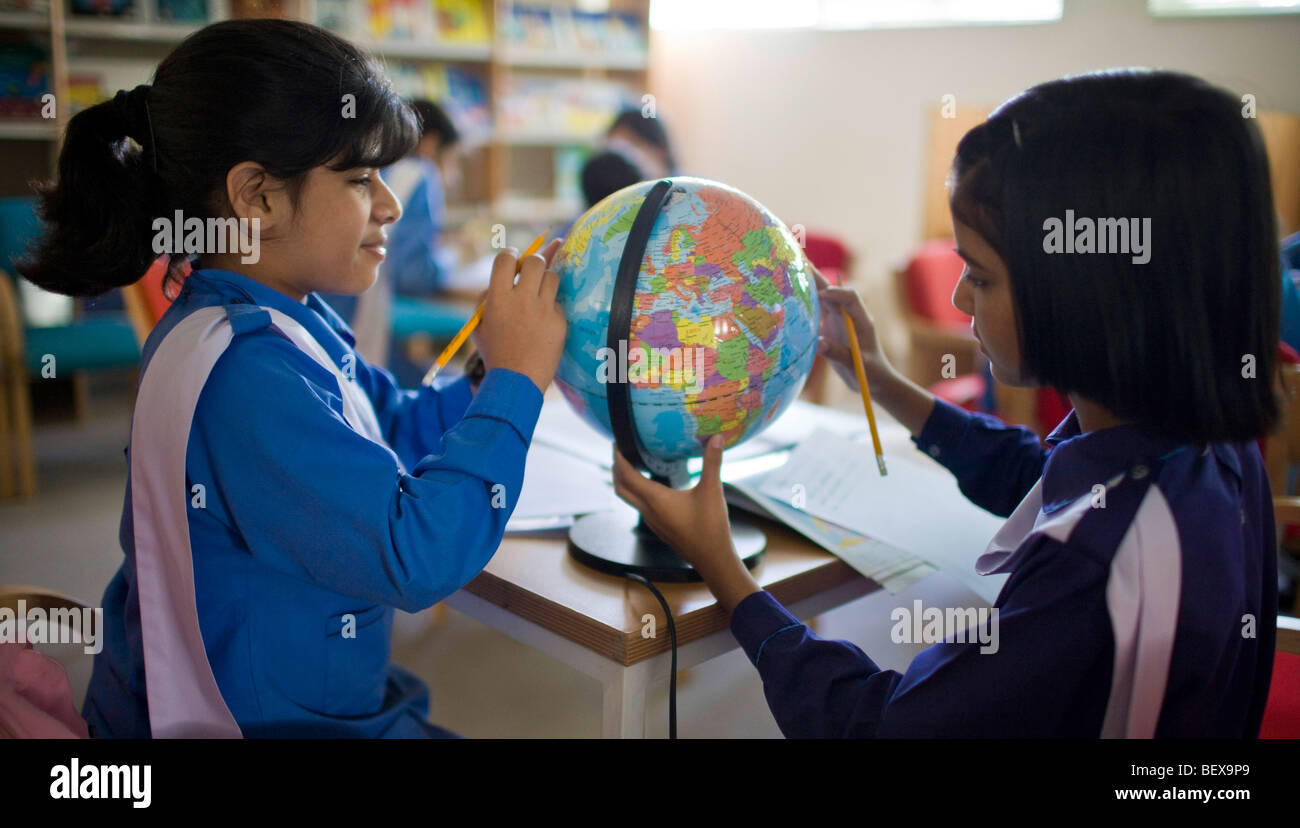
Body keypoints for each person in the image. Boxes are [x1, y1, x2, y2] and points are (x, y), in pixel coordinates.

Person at [612, 69, 1279, 738]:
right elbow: (1038, 475)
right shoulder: (1199, 443)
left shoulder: (1093, 566)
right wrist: (879, 378)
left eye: (981, 277)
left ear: (1088, 293)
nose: (961, 301)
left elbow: (876, 728)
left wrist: (725, 573)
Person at [18, 19, 567, 738]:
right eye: (360, 179)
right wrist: (514, 389)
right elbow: (417, 557)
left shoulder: (275, 319)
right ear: (256, 197)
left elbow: (389, 426)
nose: (391, 206)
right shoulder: (243, 372)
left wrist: (490, 371)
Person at [325, 98, 462, 366]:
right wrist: (453, 260)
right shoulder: (419, 173)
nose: (453, 176)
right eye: (452, 160)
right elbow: (413, 276)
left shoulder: (370, 163)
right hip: (365, 321)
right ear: (431, 144)